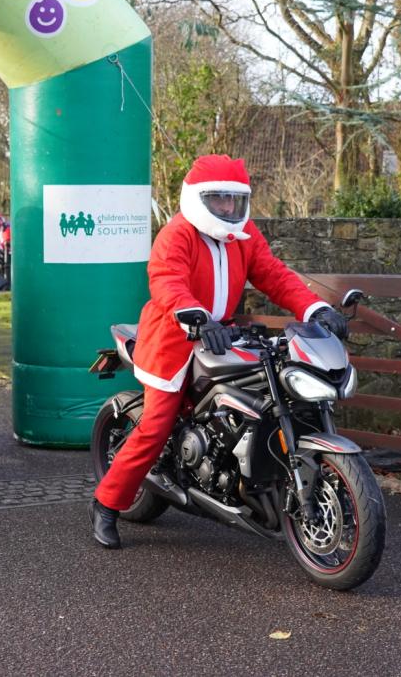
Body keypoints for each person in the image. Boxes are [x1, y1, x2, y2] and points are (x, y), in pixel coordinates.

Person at [88, 154, 348, 550]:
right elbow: (166, 279)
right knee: (156, 427)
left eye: (234, 200)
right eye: (218, 199)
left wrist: (315, 308)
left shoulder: (243, 234)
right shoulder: (177, 234)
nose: (227, 208)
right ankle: (106, 505)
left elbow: (273, 274)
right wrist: (192, 316)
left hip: (220, 335)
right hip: (173, 336)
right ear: (196, 198)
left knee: (261, 395)